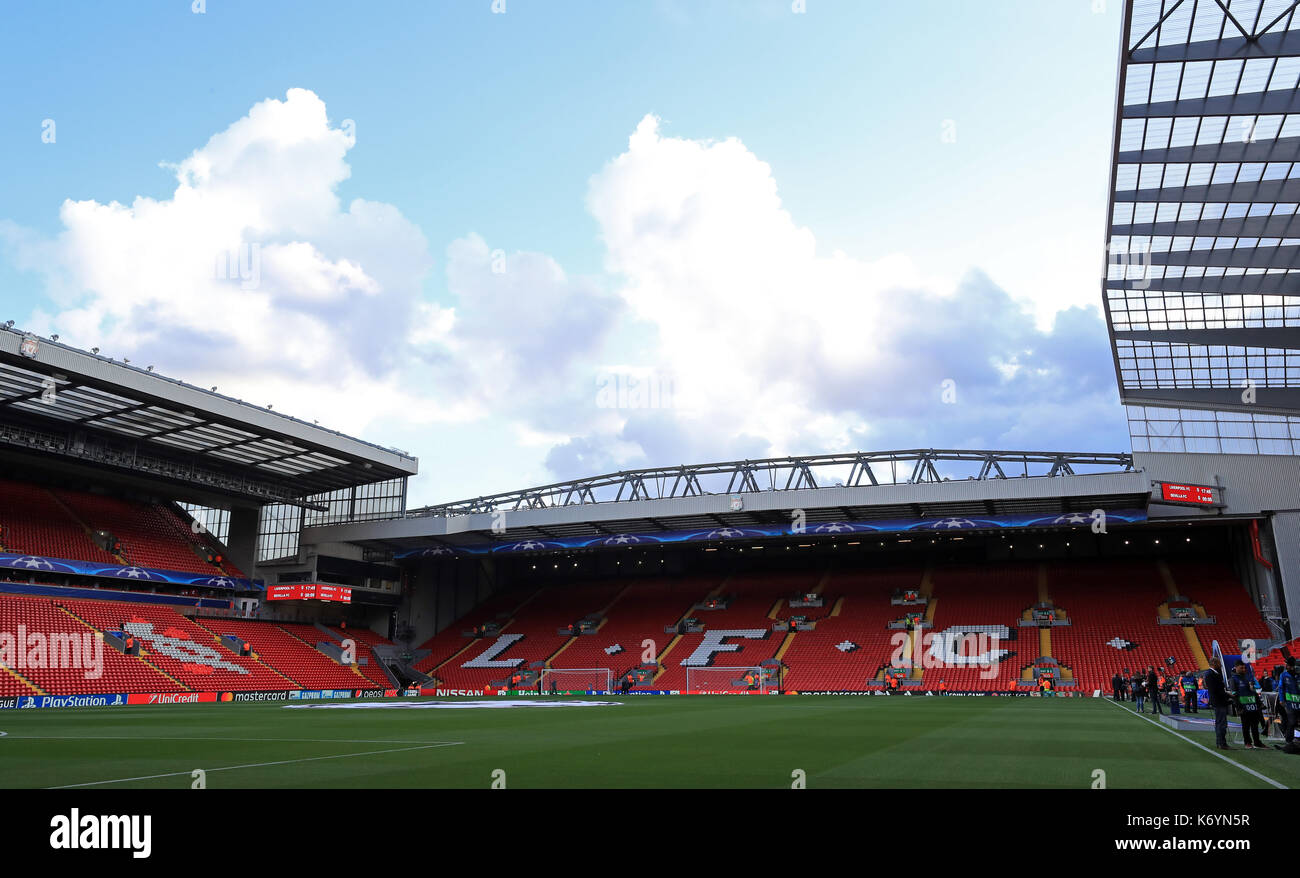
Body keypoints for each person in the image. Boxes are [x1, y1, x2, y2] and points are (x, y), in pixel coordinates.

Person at [1230, 660, 1264, 749]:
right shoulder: (1233, 679)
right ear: (1236, 667)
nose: (1244, 669)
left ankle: (1257, 742)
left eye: (1244, 667)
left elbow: (1255, 691)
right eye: (1241, 668)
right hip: (1243, 706)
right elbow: (1234, 695)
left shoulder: (1248, 678)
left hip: (1253, 705)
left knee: (1255, 725)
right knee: (1246, 725)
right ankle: (1247, 742)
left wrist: (1259, 703)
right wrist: (1238, 707)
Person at [1204, 662, 1231, 749]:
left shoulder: (1212, 673)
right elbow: (1215, 690)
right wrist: (1228, 695)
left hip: (1218, 700)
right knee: (1221, 723)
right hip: (1218, 701)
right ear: (1214, 664)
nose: (1220, 665)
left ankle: (1220, 742)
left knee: (1220, 722)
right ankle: (1221, 743)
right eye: (1219, 663)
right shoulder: (1210, 674)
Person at [1276, 659, 1300, 753]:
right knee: (1292, 722)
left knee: (1297, 723)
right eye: (1287, 665)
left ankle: (1297, 741)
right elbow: (1281, 688)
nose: (1287, 666)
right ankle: (1289, 741)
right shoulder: (1284, 675)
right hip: (1290, 703)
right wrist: (1282, 699)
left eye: (1289, 665)